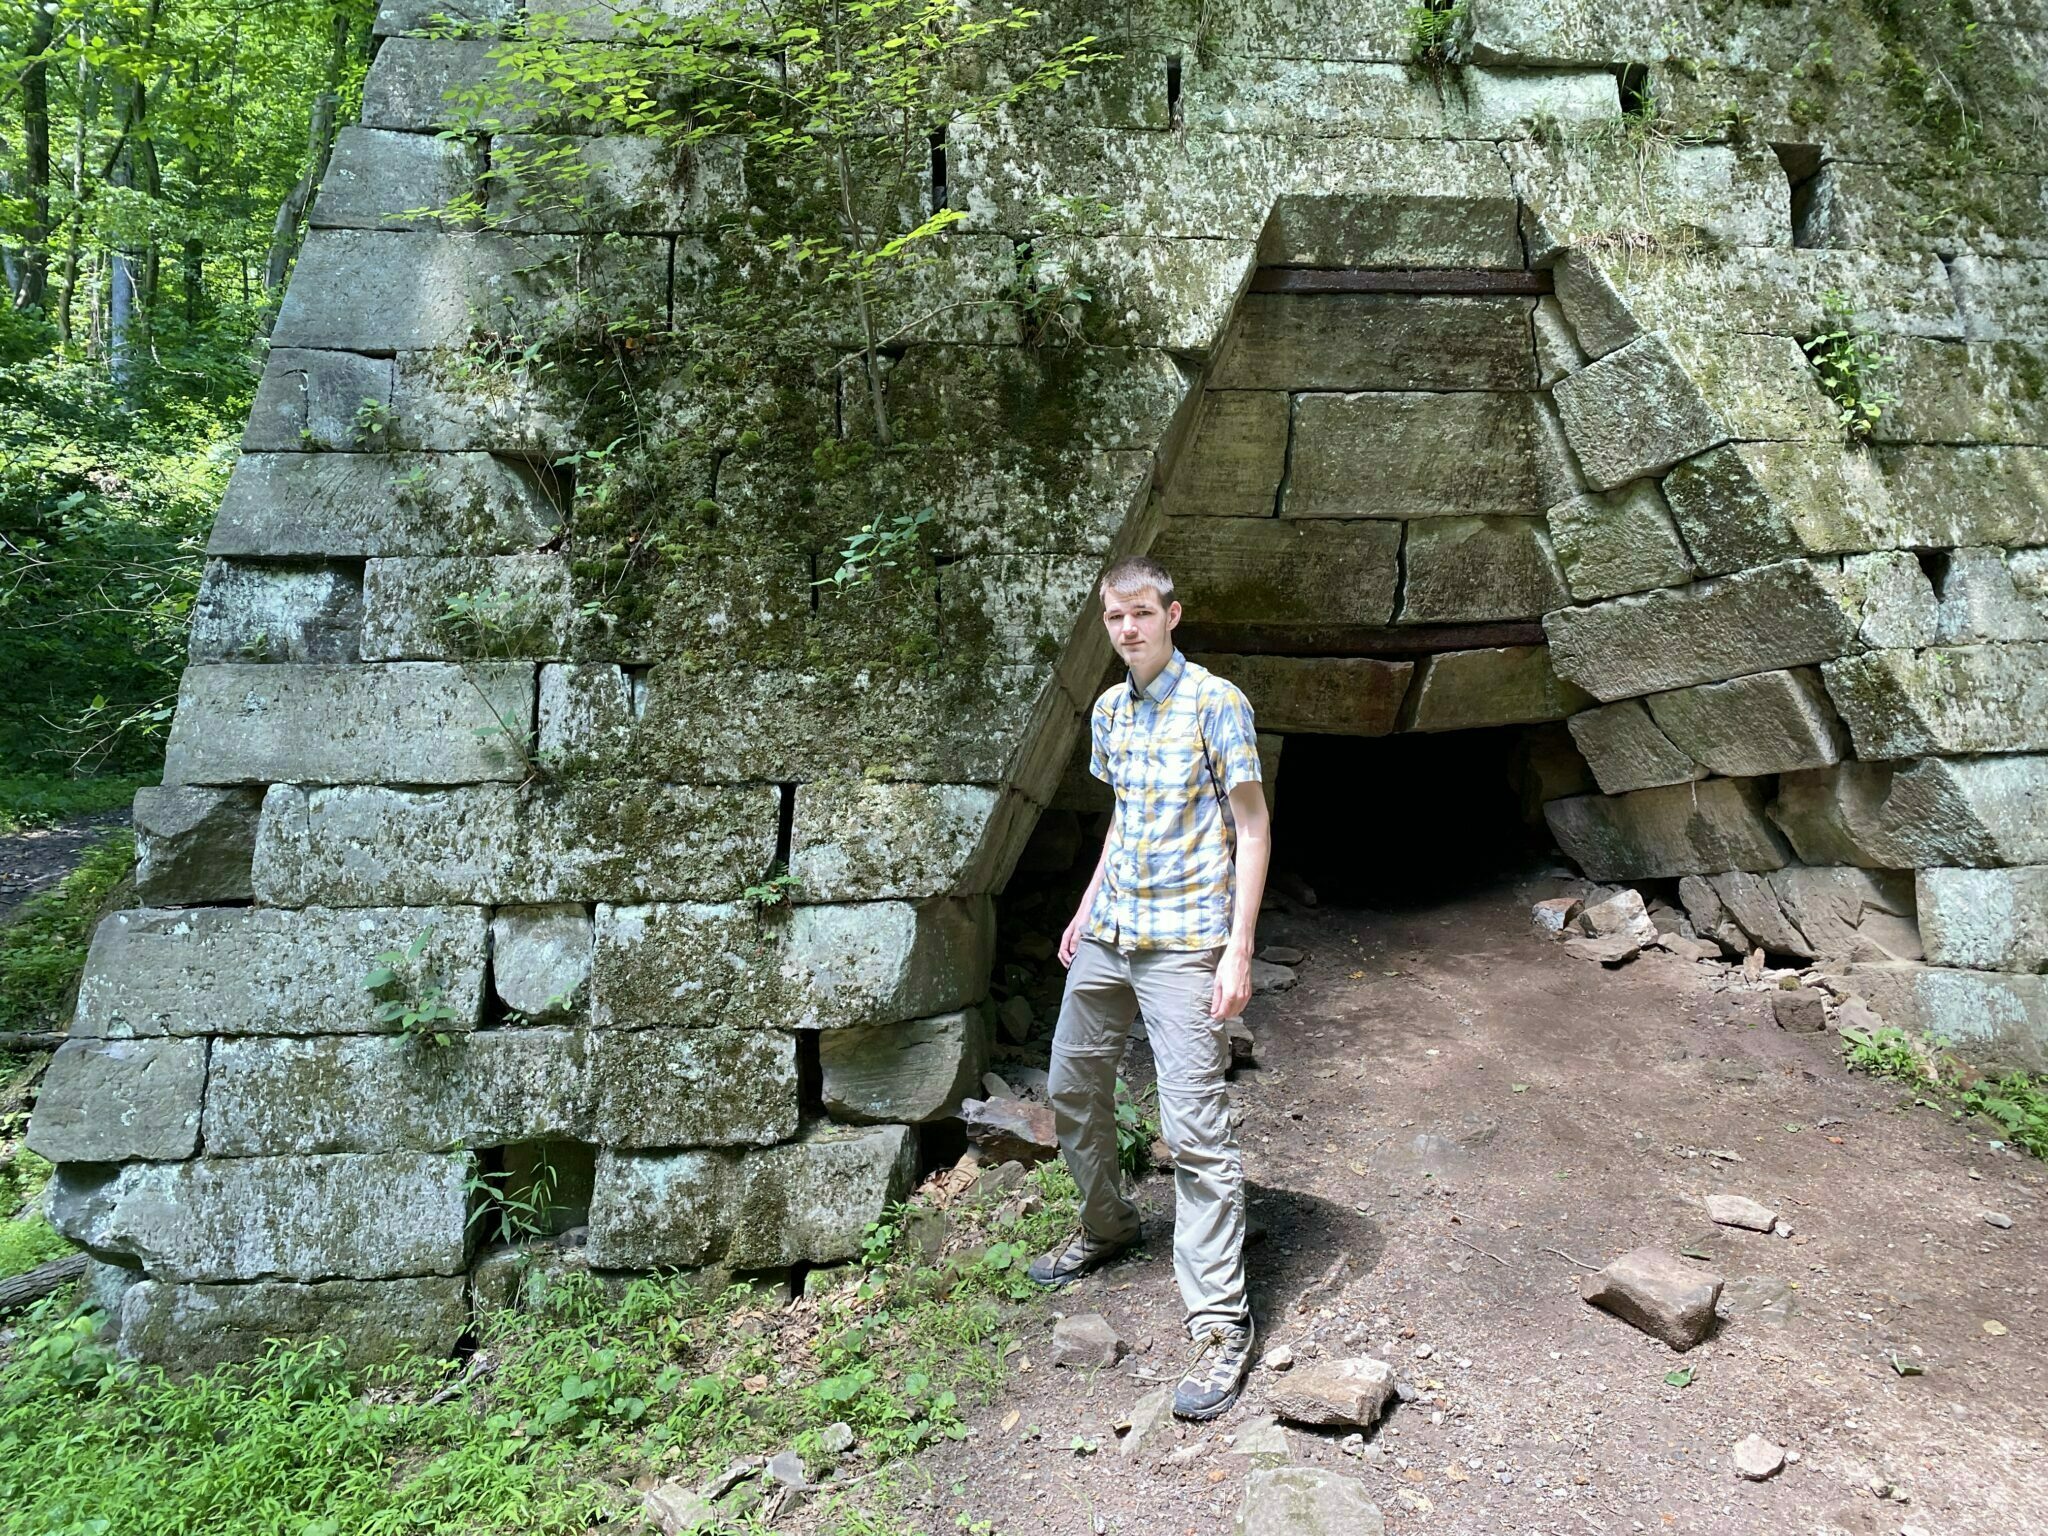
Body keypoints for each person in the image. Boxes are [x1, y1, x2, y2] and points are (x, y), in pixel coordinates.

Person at [1026, 553, 1271, 1420]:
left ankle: (1218, 1325)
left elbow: (1251, 822)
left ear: (1172, 613)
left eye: (1140, 613)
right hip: (1113, 930)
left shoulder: (1217, 702)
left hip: (1183, 944)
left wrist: (1239, 950)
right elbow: (1126, 818)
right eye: (1113, 617)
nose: (1127, 628)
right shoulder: (1106, 710)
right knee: (1070, 1084)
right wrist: (1086, 906)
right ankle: (1108, 1226)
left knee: (1192, 1128)